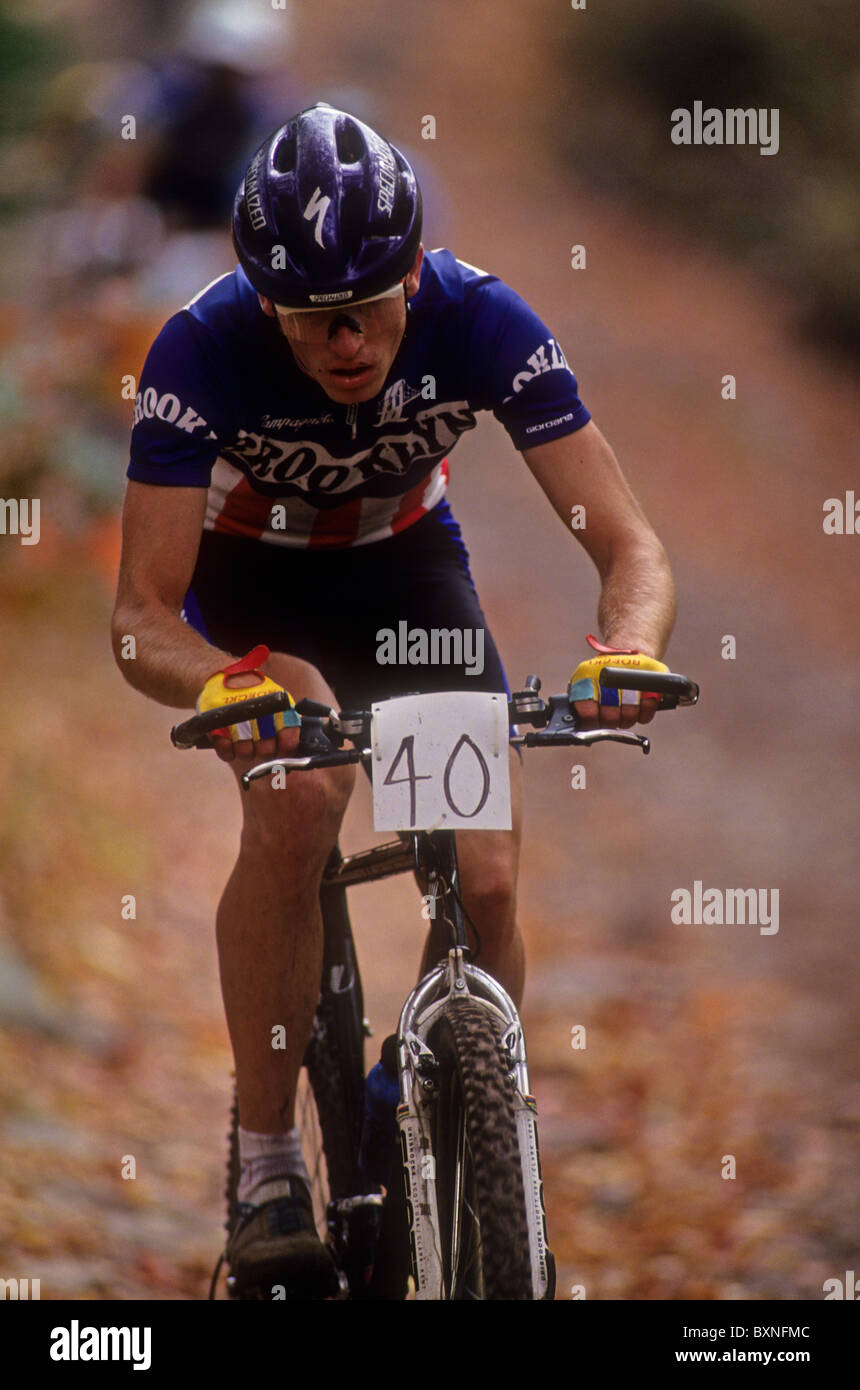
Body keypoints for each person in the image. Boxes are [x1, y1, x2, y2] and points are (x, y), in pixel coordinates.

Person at [111, 102, 676, 1296]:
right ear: (264, 300)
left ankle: (412, 1086)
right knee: (303, 789)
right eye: (314, 321)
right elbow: (138, 616)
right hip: (250, 583)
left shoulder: (482, 319)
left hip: (404, 575)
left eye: (368, 308)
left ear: (414, 272)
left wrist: (625, 649)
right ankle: (267, 1155)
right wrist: (222, 686)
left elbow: (628, 545)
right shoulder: (197, 349)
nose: (348, 342)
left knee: (487, 876)